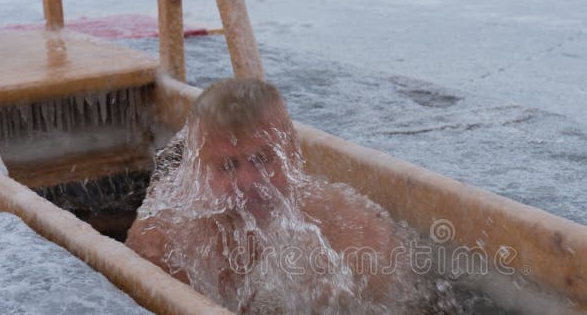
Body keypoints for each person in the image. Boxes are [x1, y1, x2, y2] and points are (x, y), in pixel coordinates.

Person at [126, 78, 408, 301]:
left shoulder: (353, 232)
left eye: (263, 159)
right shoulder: (164, 241)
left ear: (293, 156)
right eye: (227, 166)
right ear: (198, 172)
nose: (249, 182)